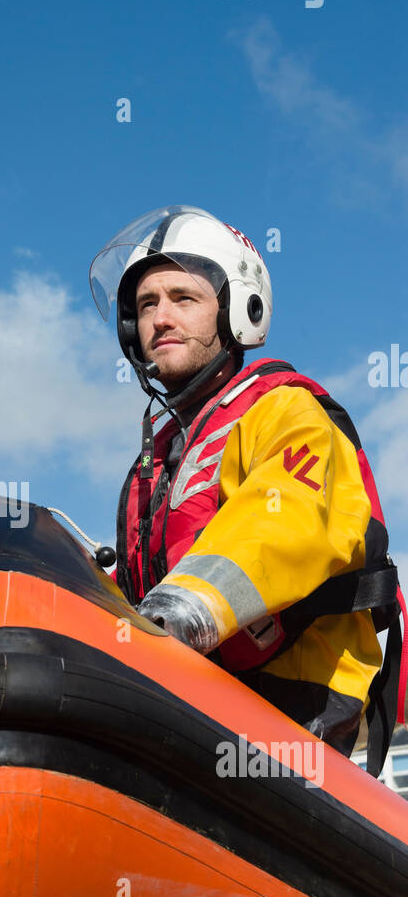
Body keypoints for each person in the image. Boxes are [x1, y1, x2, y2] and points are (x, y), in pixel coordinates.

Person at [89, 204, 404, 770]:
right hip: (192, 705)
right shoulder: (158, 459)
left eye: (183, 299)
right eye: (146, 305)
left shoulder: (286, 410)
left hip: (289, 721)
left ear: (240, 309)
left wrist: (184, 609)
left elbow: (285, 518)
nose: (160, 318)